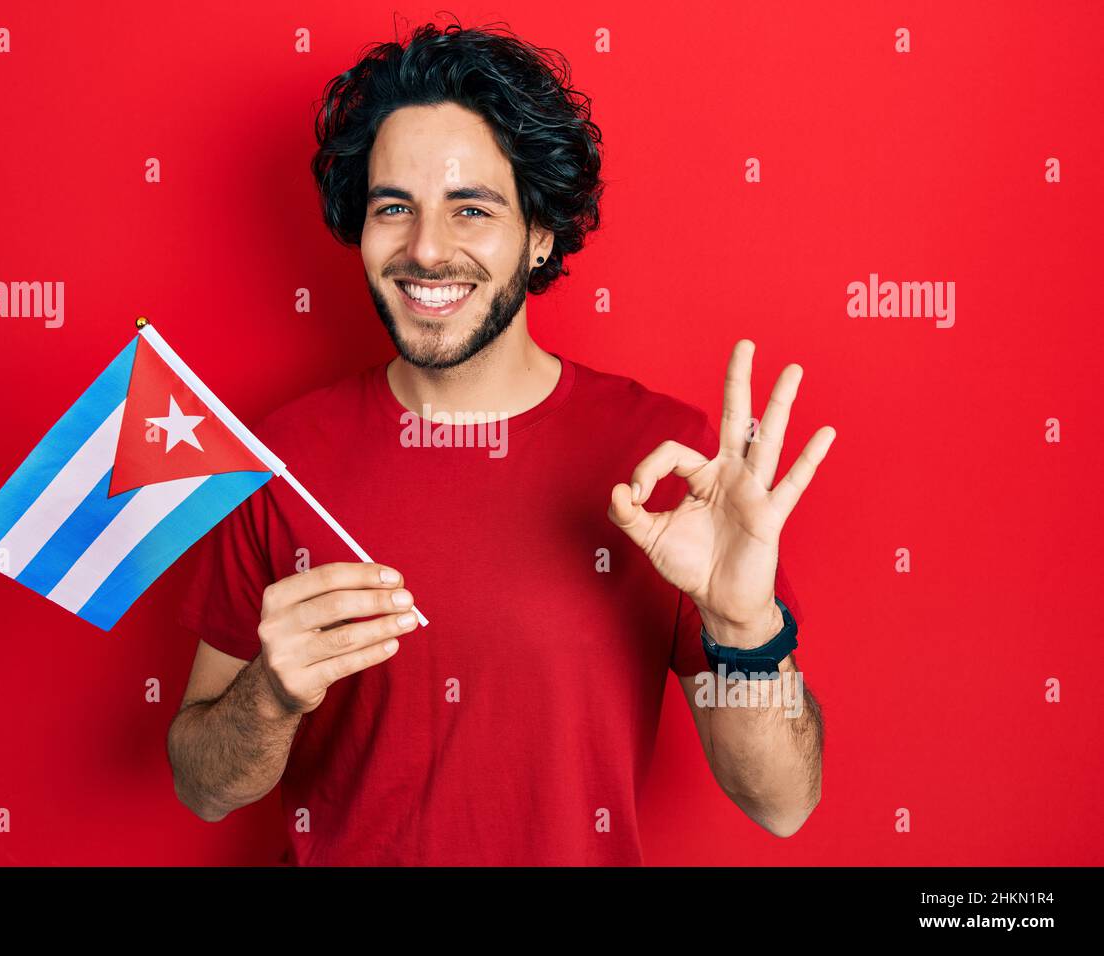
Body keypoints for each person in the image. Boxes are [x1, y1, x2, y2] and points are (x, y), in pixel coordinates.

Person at [167, 20, 834, 866]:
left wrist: (744, 624)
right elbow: (202, 785)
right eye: (394, 208)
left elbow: (781, 804)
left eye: (471, 209)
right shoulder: (280, 458)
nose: (426, 250)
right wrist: (270, 697)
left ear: (541, 234)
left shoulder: (665, 456)